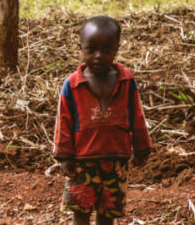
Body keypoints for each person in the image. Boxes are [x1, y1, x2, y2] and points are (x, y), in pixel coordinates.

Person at [53, 16, 151, 225]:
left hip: (116, 162)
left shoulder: (126, 81)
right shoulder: (72, 84)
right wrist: (64, 155)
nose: (99, 56)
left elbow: (137, 115)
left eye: (106, 50)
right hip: (82, 163)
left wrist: (142, 145)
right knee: (81, 212)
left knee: (108, 214)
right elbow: (64, 120)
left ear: (117, 48)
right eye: (91, 49)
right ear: (80, 47)